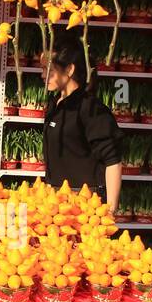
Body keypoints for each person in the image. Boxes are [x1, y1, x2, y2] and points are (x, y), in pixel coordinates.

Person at [42, 36, 123, 207]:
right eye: (42, 69)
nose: (43, 75)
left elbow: (113, 161)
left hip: (85, 202)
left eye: (48, 70)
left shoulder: (90, 108)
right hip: (57, 200)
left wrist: (111, 209)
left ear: (69, 70)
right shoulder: (55, 104)